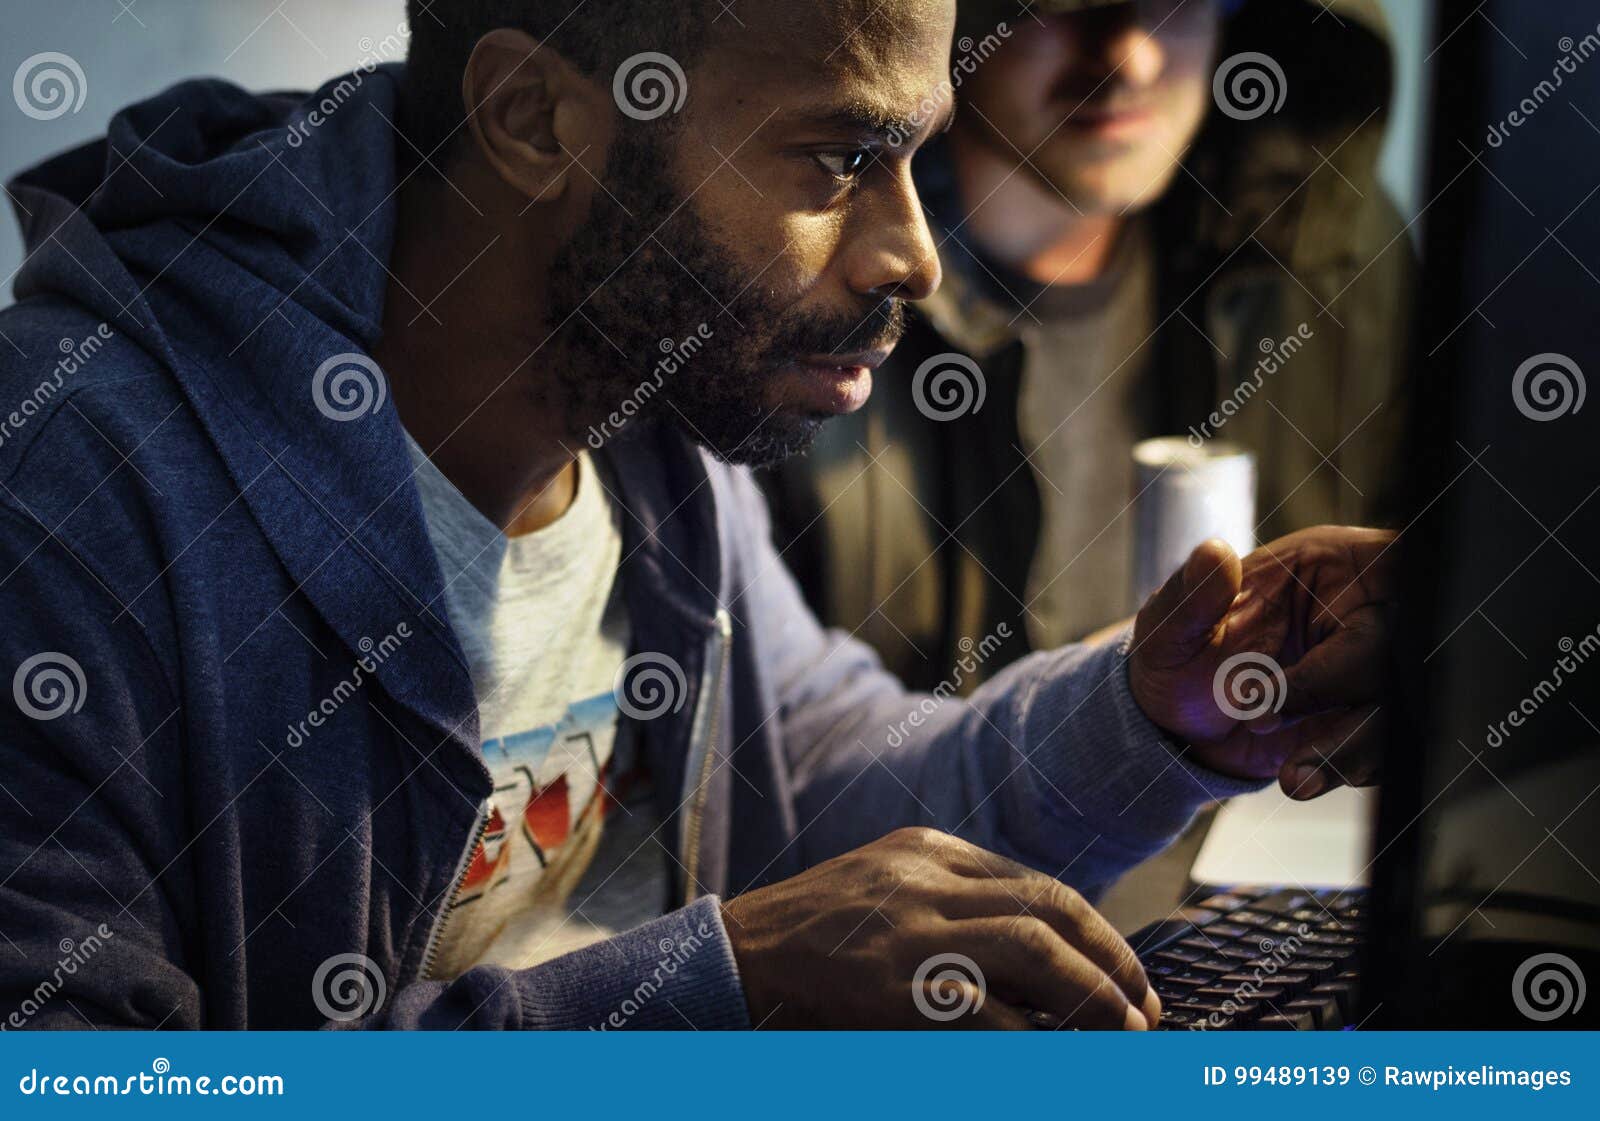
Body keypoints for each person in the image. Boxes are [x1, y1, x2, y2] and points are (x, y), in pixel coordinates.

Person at [0, 0, 1391, 1031]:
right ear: (535, 118)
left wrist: (1160, 712)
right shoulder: (69, 483)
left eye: (914, 157)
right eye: (837, 158)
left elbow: (822, 785)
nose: (913, 254)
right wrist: (718, 987)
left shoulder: (644, 404)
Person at [763, 0, 1413, 690]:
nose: (1131, 58)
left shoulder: (1330, 259)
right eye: (1071, 5)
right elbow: (766, 732)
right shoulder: (786, 299)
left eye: (1180, 4)